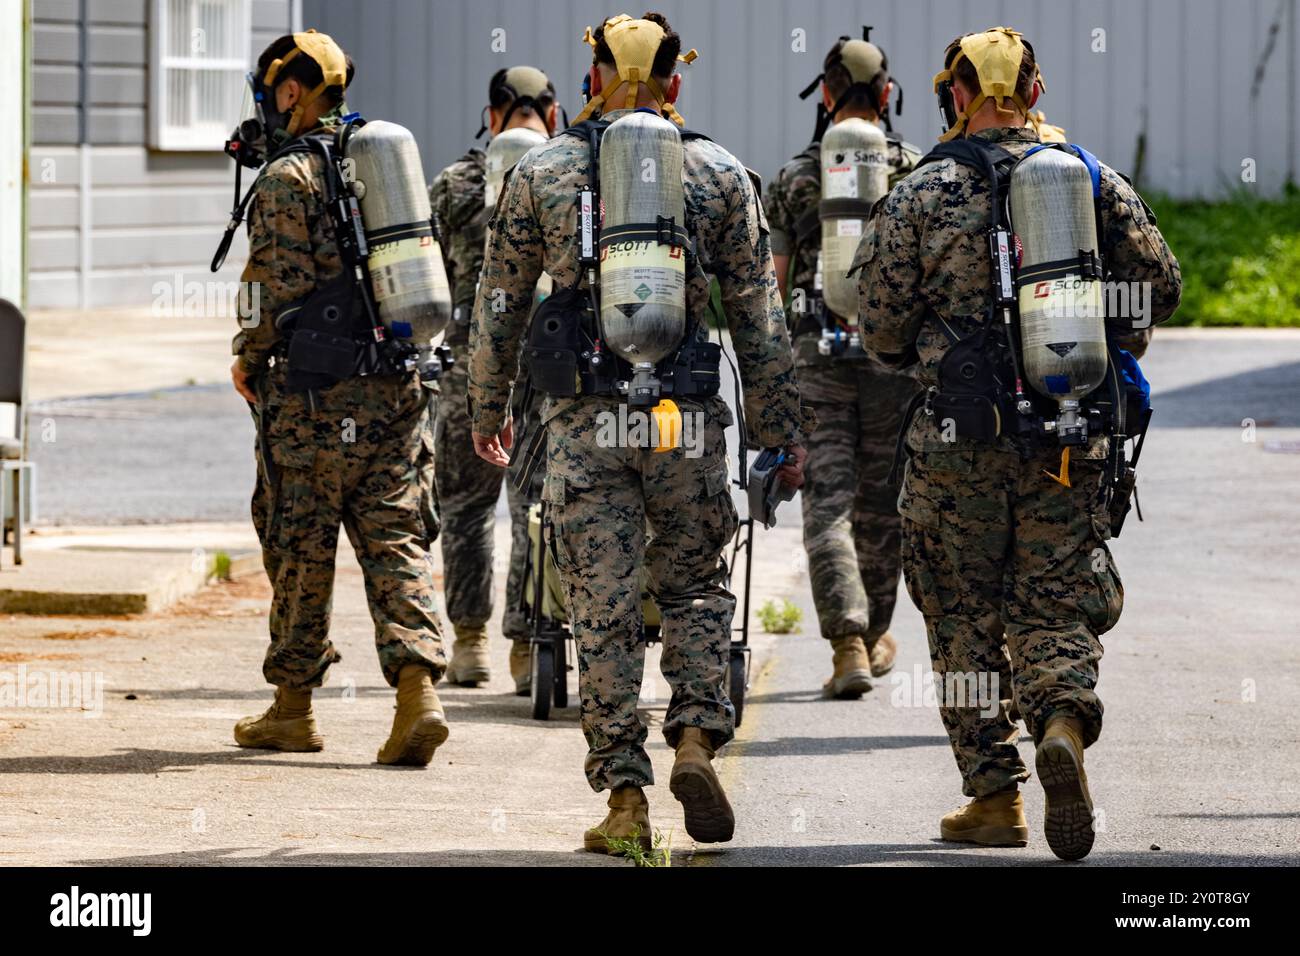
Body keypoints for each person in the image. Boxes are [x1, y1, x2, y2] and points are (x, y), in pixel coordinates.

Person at [469, 12, 811, 853]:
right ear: (675, 84)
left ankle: (625, 798)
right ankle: (696, 736)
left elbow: (499, 304)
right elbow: (761, 318)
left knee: (602, 609)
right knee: (694, 585)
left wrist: (487, 409)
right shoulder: (721, 173)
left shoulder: (543, 171)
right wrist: (781, 431)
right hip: (684, 415)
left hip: (586, 420)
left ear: (589, 83)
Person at [855, 26, 1181, 859]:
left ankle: (995, 797)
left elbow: (881, 332)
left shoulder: (920, 191)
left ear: (956, 95)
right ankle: (1062, 719)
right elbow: (1160, 290)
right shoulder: (1089, 177)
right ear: (1036, 91)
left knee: (960, 614)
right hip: (1068, 433)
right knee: (1056, 594)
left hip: (957, 441)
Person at [228, 31, 450, 766]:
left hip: (311, 399)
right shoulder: (382, 163)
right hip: (396, 385)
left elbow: (269, 293)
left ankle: (293, 709)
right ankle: (418, 693)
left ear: (291, 91)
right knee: (395, 536)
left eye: (270, 91)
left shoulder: (288, 178)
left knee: (300, 541)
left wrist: (246, 359)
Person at [765, 30, 922, 700]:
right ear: (887, 95)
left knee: (827, 505)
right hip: (893, 361)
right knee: (883, 503)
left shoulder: (797, 179)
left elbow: (772, 284)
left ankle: (847, 640)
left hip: (816, 360)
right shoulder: (913, 168)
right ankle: (876, 629)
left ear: (825, 96)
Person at [429, 67, 558, 693]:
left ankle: (468, 643)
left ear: (491, 116)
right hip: (543, 368)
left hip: (466, 368)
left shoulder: (454, 185)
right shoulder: (565, 176)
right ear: (554, 115)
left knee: (466, 509)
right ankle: (528, 649)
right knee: (533, 508)